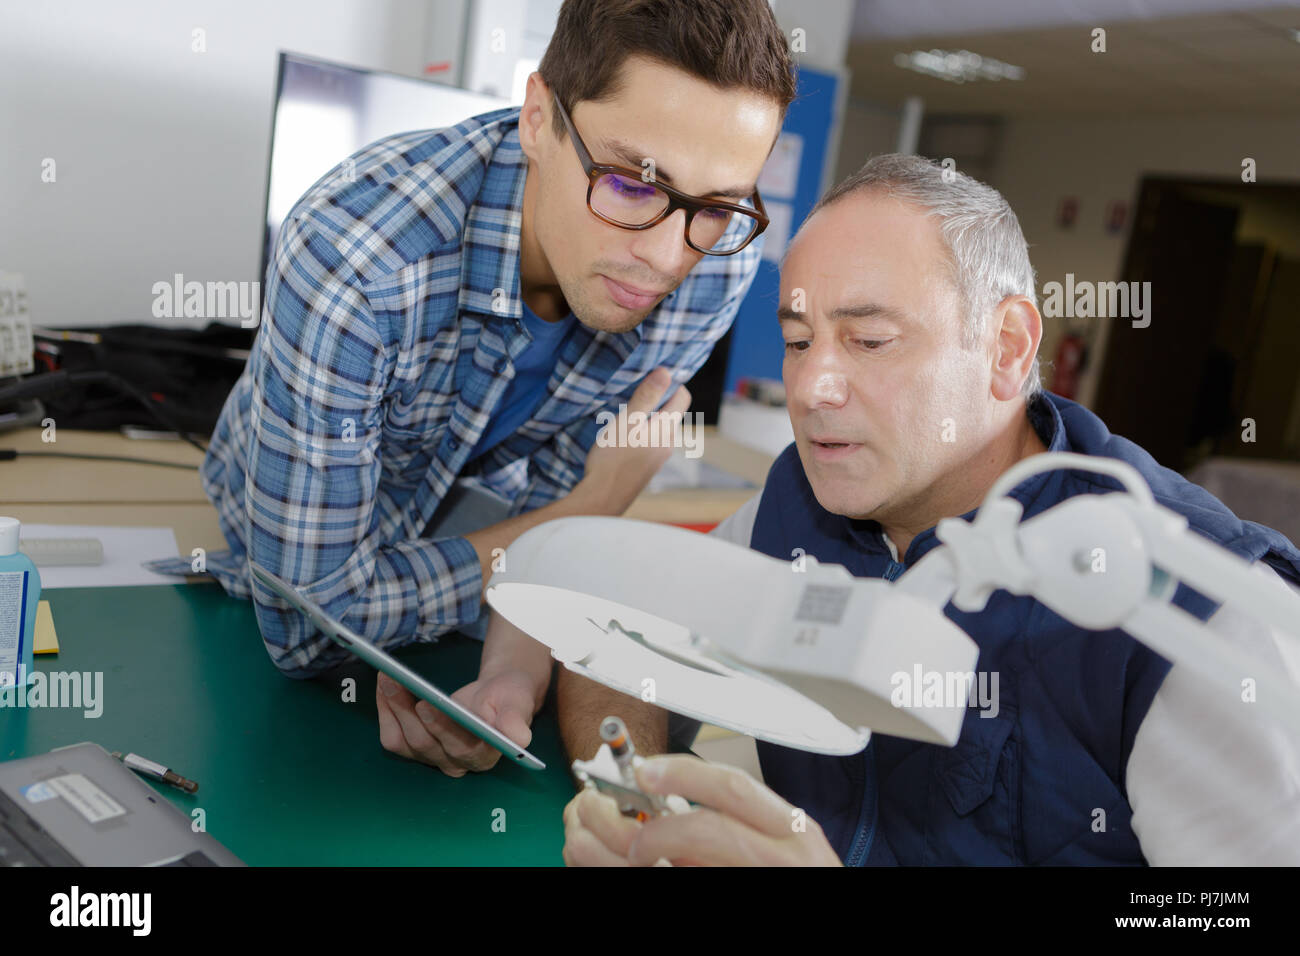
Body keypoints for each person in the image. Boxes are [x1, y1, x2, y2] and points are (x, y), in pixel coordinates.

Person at [557, 153, 1300, 865]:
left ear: (1007, 348)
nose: (811, 388)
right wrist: (636, 806)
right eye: (797, 339)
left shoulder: (1196, 615)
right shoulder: (798, 508)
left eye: (870, 341)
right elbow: (624, 650)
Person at [147, 0, 794, 777]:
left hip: (475, 529)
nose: (664, 259)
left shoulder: (715, 262)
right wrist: (593, 506)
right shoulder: (355, 262)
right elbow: (308, 624)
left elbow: (546, 509)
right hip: (292, 532)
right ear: (535, 118)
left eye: (718, 206)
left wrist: (511, 674)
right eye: (630, 184)